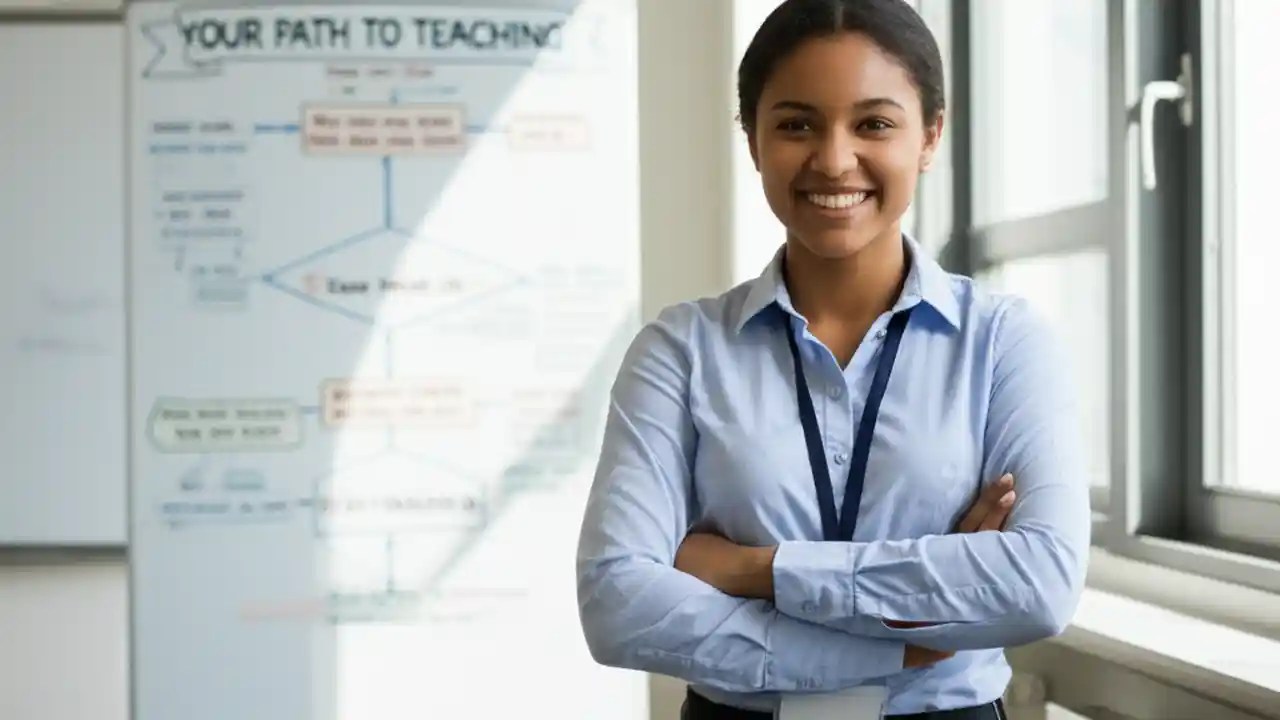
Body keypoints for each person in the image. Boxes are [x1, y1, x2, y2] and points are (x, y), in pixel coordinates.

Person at [575, 0, 1091, 717]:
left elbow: (1039, 585)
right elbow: (616, 604)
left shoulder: (1005, 342)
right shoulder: (680, 351)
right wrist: (908, 623)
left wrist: (754, 569)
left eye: (874, 123)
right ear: (753, 140)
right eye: (796, 124)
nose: (834, 159)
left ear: (930, 136)